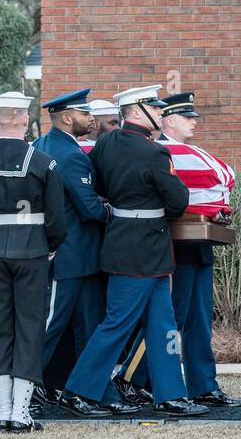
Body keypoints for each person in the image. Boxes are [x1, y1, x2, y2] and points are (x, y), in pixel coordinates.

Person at [58, 85, 205, 417]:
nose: (161, 113)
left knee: (162, 323)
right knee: (117, 323)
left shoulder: (105, 143)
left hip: (128, 241)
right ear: (137, 112)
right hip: (144, 244)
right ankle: (77, 390)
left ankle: (169, 393)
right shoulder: (154, 153)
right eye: (155, 107)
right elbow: (178, 201)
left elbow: (99, 185)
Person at [120, 92, 241, 408]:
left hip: (198, 242)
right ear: (169, 120)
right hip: (174, 245)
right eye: (186, 117)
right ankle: (132, 378)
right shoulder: (160, 153)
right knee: (169, 317)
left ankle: (204, 384)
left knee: (199, 319)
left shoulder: (189, 152)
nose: (193, 122)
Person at [0, 93, 67, 432]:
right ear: (23, 119)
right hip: (33, 252)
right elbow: (57, 220)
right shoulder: (42, 161)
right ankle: (21, 413)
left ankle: (3, 410)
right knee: (29, 328)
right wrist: (50, 246)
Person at [32, 89, 110, 402]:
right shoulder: (71, 155)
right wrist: (112, 210)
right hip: (70, 254)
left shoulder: (41, 144)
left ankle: (68, 387)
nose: (92, 119)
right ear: (66, 118)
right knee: (53, 326)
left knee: (76, 328)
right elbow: (90, 209)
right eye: (85, 113)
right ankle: (26, 385)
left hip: (69, 253)